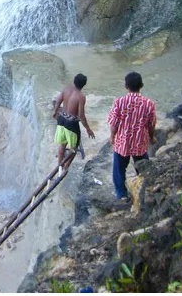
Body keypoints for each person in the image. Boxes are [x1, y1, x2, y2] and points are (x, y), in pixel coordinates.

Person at [107, 72, 156, 202]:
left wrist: (112, 137)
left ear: (126, 86)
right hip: (140, 142)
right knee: (142, 167)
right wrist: (151, 137)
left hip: (122, 142)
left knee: (119, 169)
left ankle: (122, 194)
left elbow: (114, 123)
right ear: (141, 85)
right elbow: (151, 124)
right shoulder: (149, 104)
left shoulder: (119, 102)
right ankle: (143, 188)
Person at [53, 73, 95, 175]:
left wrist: (55, 112)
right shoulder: (81, 96)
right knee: (74, 148)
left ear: (74, 81)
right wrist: (88, 129)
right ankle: (66, 166)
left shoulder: (66, 89)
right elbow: (81, 115)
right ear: (84, 85)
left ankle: (60, 164)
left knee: (62, 144)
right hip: (71, 124)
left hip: (61, 119)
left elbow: (58, 102)